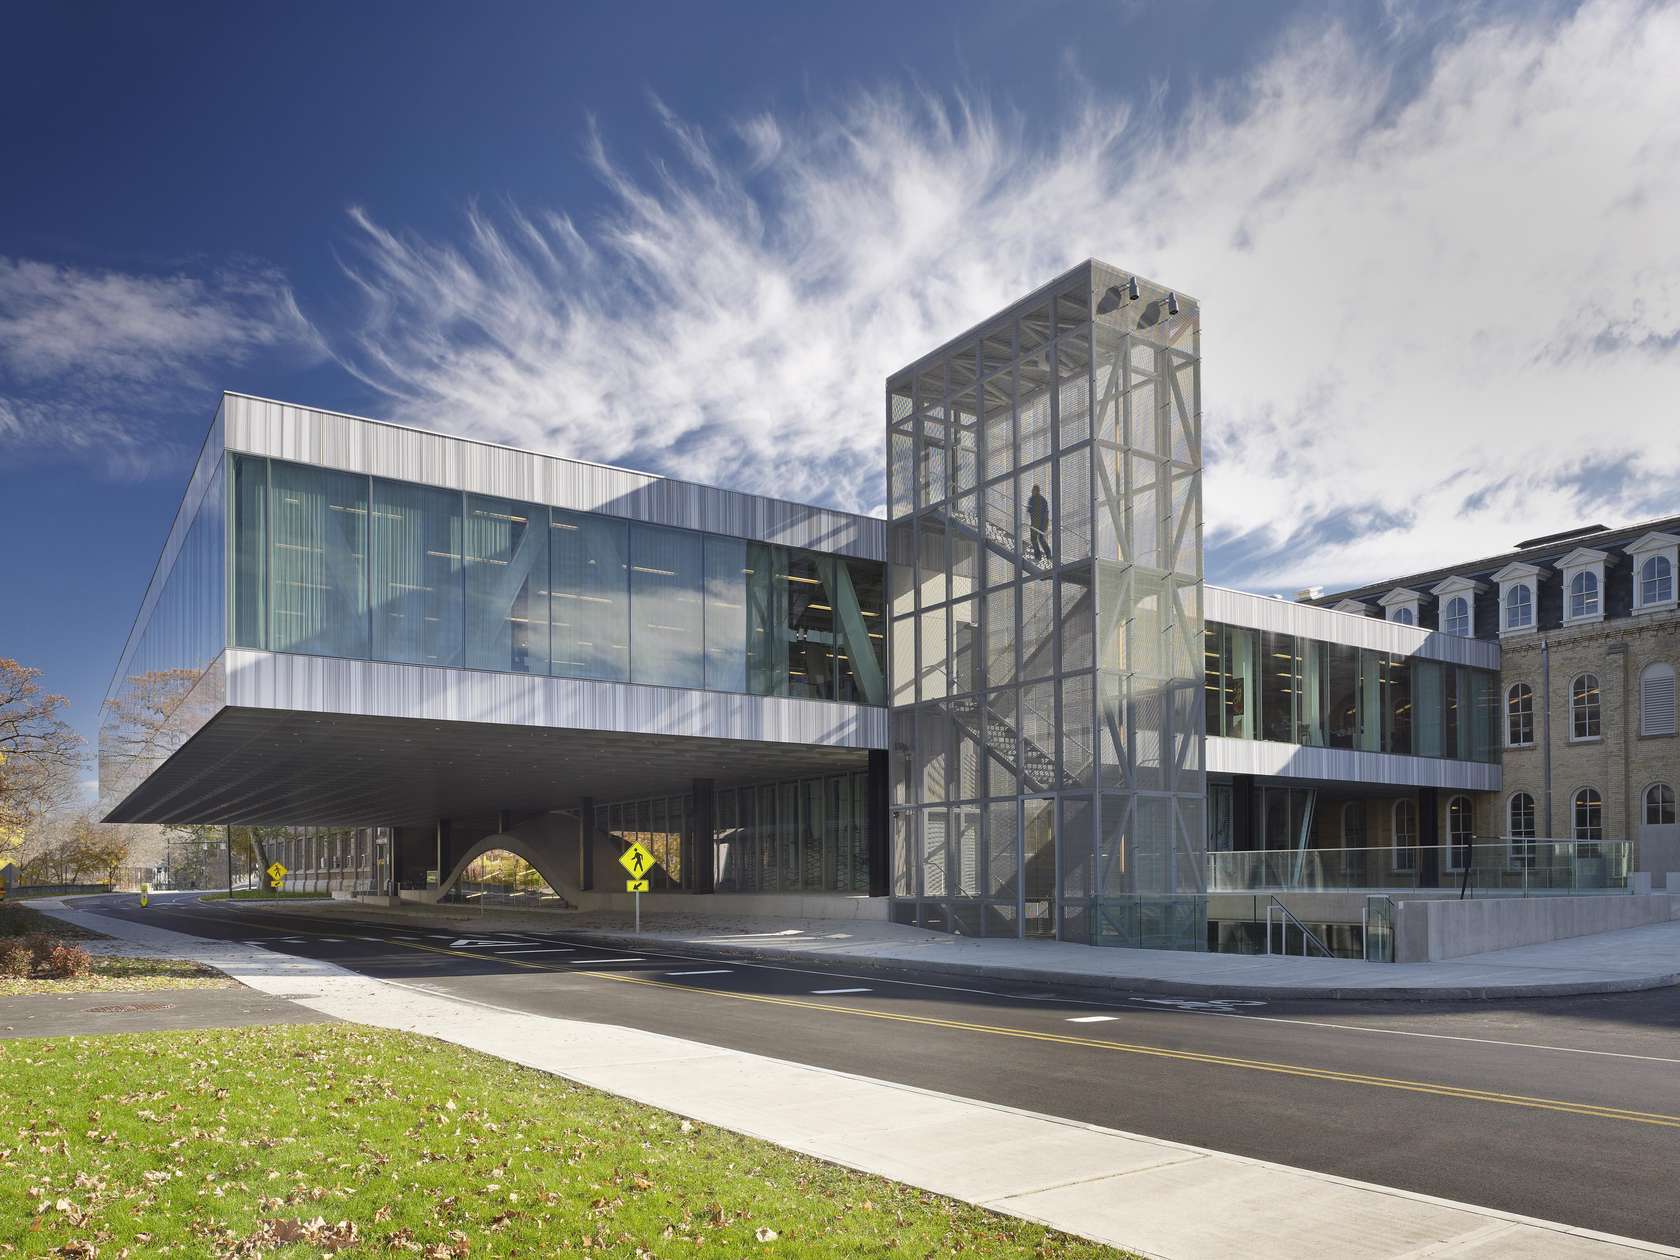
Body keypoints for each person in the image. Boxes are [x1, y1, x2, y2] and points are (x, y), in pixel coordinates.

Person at [1026, 482, 1051, 563]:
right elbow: (1046, 512)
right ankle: (1048, 555)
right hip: (1041, 523)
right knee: (1041, 539)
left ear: (1036, 491)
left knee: (1034, 539)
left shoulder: (1032, 499)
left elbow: (1029, 510)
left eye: (1033, 490)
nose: (1032, 492)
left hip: (1036, 523)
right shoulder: (1043, 500)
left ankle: (1038, 556)